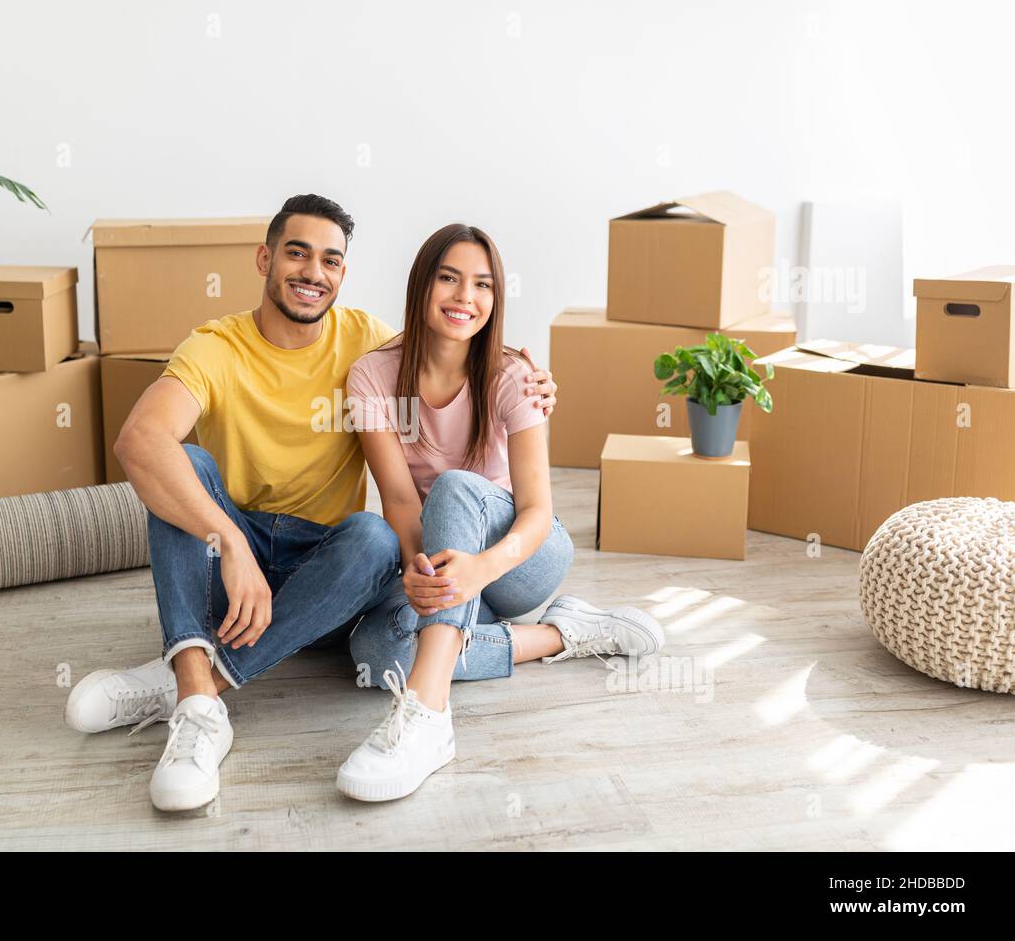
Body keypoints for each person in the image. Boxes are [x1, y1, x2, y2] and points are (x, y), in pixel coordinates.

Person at [63, 196, 560, 812]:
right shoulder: (219, 345)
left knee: (376, 538)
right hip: (234, 577)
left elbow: (451, 342)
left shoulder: (366, 343)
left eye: (330, 260)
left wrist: (531, 380)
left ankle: (193, 683)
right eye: (297, 253)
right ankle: (199, 703)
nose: (312, 272)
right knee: (182, 465)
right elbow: (139, 441)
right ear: (265, 259)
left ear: (343, 275)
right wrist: (231, 543)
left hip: (330, 580)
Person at [336, 223, 665, 802]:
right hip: (443, 559)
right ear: (421, 285)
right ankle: (561, 636)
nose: (466, 297)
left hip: (519, 559)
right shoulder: (371, 376)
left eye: (483, 284)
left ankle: (428, 715)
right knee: (373, 652)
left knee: (457, 488)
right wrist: (424, 572)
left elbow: (538, 511)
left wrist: (480, 569)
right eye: (449, 278)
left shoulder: (514, 375)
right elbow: (399, 499)